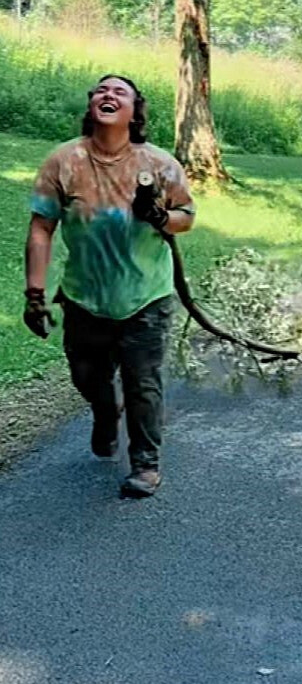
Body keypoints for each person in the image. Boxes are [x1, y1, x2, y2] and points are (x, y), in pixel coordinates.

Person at [23, 74, 196, 498]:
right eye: (101, 90)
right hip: (85, 297)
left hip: (146, 298)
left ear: (135, 111)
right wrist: (34, 294)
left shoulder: (158, 164)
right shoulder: (63, 161)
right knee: (86, 377)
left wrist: (159, 216)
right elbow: (42, 228)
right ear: (91, 106)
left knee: (143, 382)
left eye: (120, 92)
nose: (108, 95)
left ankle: (145, 464)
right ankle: (105, 410)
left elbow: (186, 216)